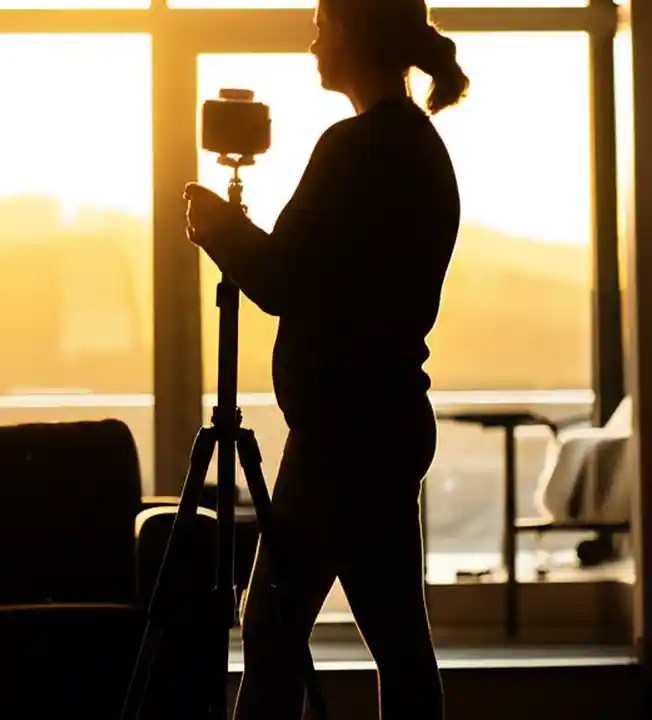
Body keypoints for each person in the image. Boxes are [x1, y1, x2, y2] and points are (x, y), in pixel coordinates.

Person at [183, 0, 468, 718]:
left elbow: (282, 278)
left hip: (344, 435)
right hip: (386, 421)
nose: (312, 39)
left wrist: (220, 228)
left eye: (321, 22)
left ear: (352, 32)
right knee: (399, 642)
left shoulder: (355, 146)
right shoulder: (418, 147)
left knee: (276, 629)